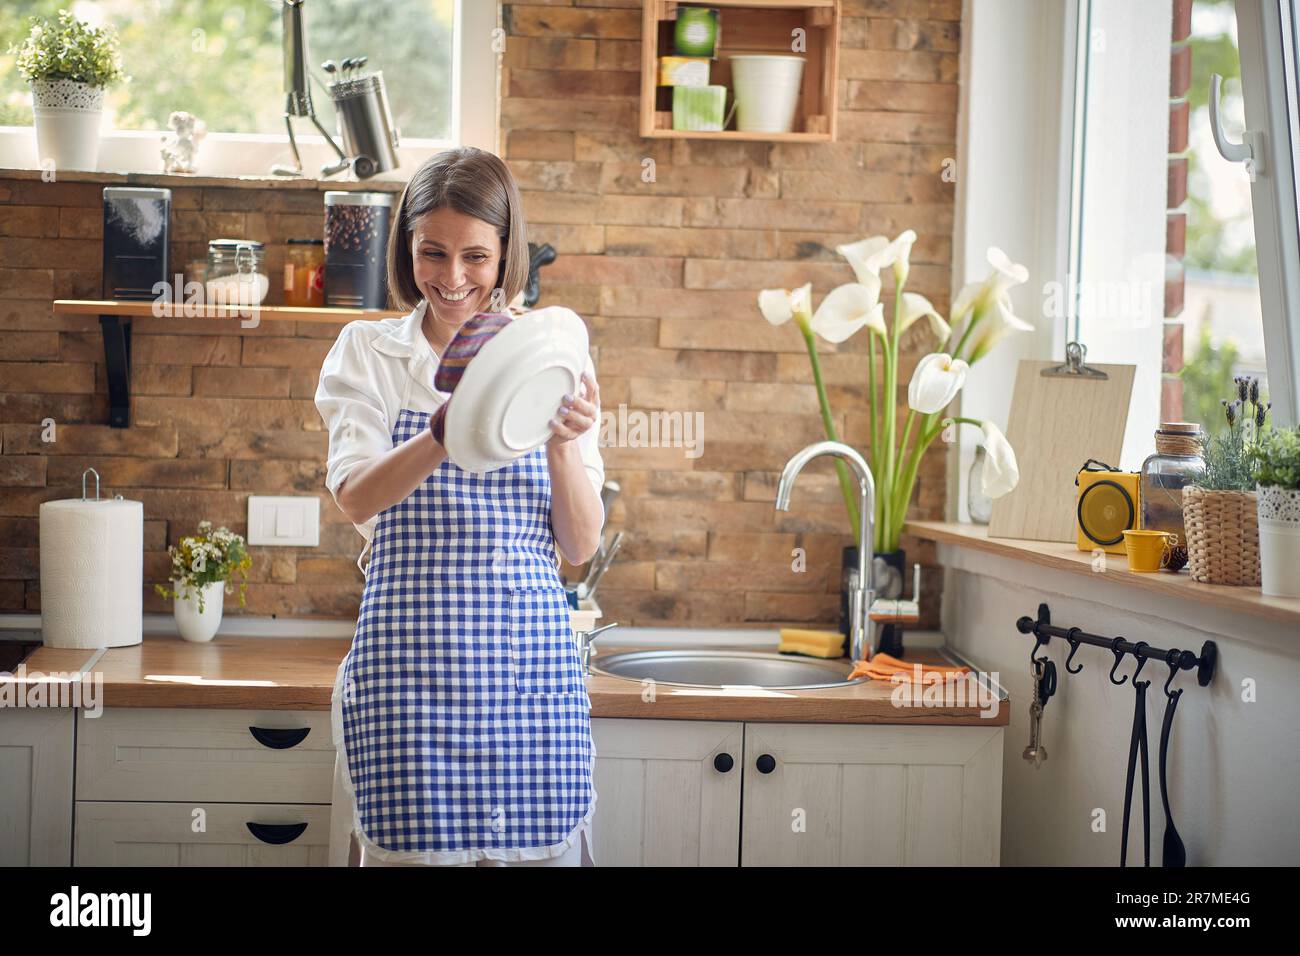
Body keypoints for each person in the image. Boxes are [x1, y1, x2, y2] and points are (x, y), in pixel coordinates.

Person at [315, 146, 605, 866]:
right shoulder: (369, 353)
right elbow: (355, 498)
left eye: (476, 255)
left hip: (528, 680)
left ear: (506, 251)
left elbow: (580, 546)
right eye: (432, 253)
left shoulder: (551, 358)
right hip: (408, 680)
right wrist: (448, 431)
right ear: (406, 248)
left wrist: (563, 444)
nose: (452, 278)